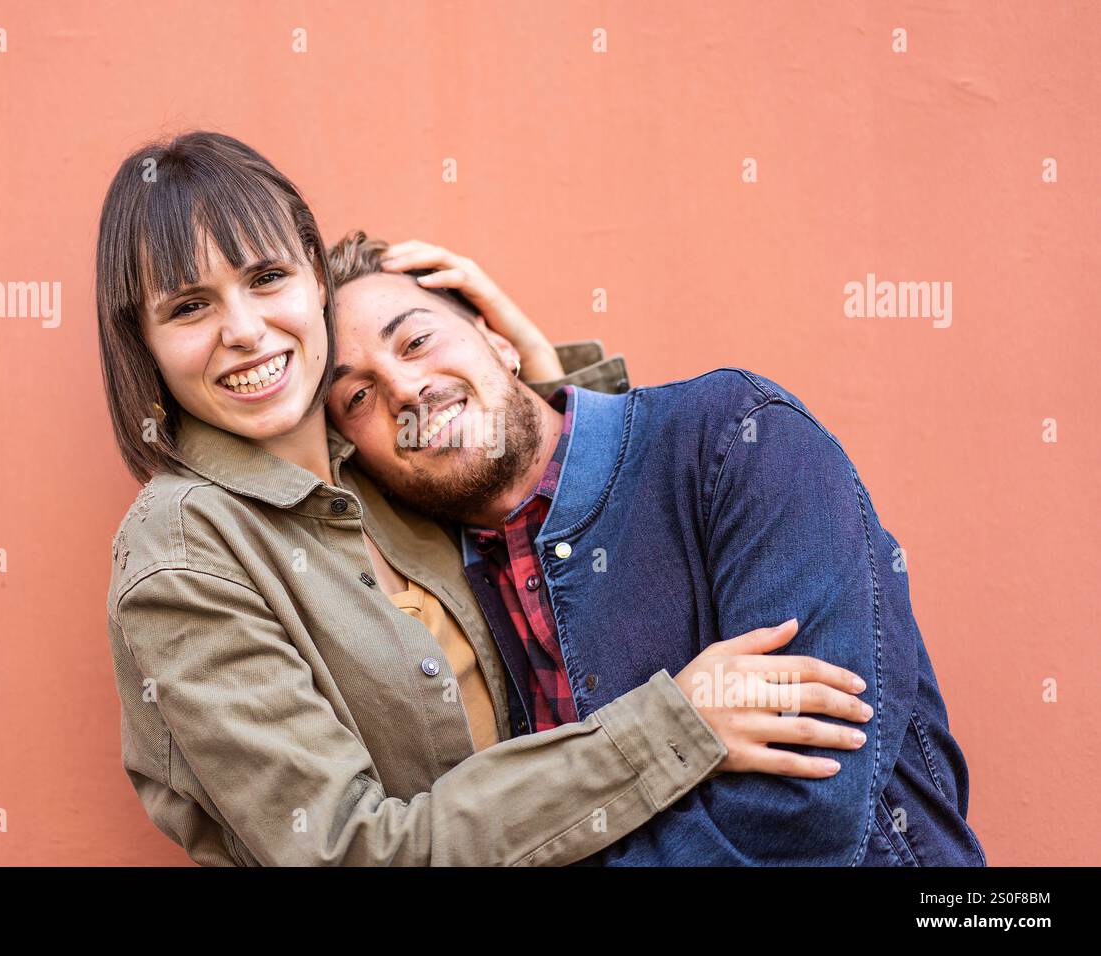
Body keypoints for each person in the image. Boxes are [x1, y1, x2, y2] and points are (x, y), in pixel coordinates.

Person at [96, 130, 873, 866]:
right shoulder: (184, 556)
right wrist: (675, 728)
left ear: (313, 282)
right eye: (189, 307)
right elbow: (351, 851)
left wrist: (527, 374)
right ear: (145, 343)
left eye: (266, 279)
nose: (244, 330)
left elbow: (568, 538)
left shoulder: (386, 481)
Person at [322, 230, 987, 866]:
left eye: (415, 339)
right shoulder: (454, 604)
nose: (405, 392)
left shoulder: (734, 438)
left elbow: (808, 810)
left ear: (500, 342)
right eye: (357, 395)